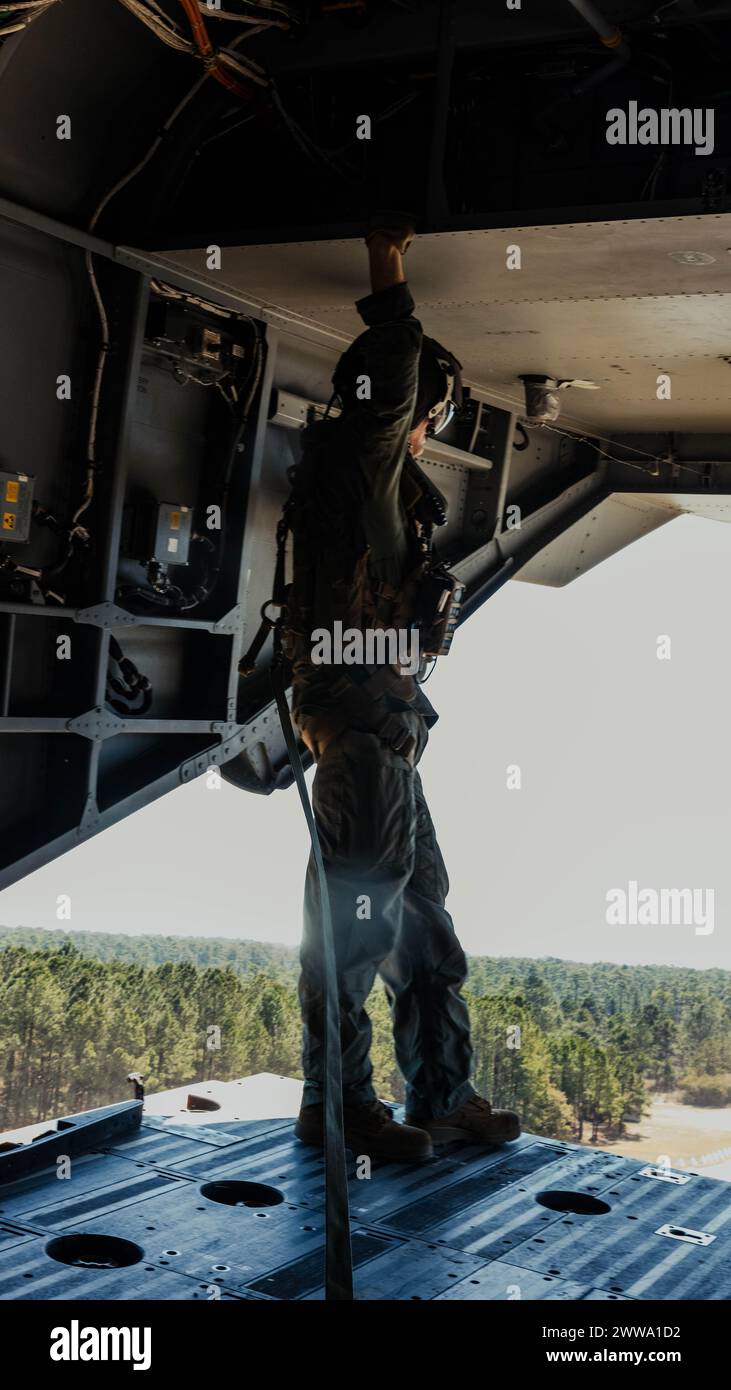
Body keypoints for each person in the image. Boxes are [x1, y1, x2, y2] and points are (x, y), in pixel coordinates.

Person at [290, 214, 520, 1162]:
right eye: (429, 407)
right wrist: (390, 269)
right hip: (357, 734)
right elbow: (385, 383)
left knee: (427, 930)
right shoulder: (366, 462)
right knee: (351, 937)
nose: (429, 426)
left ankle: (440, 1093)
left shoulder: (388, 496)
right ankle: (338, 1108)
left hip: (390, 742)